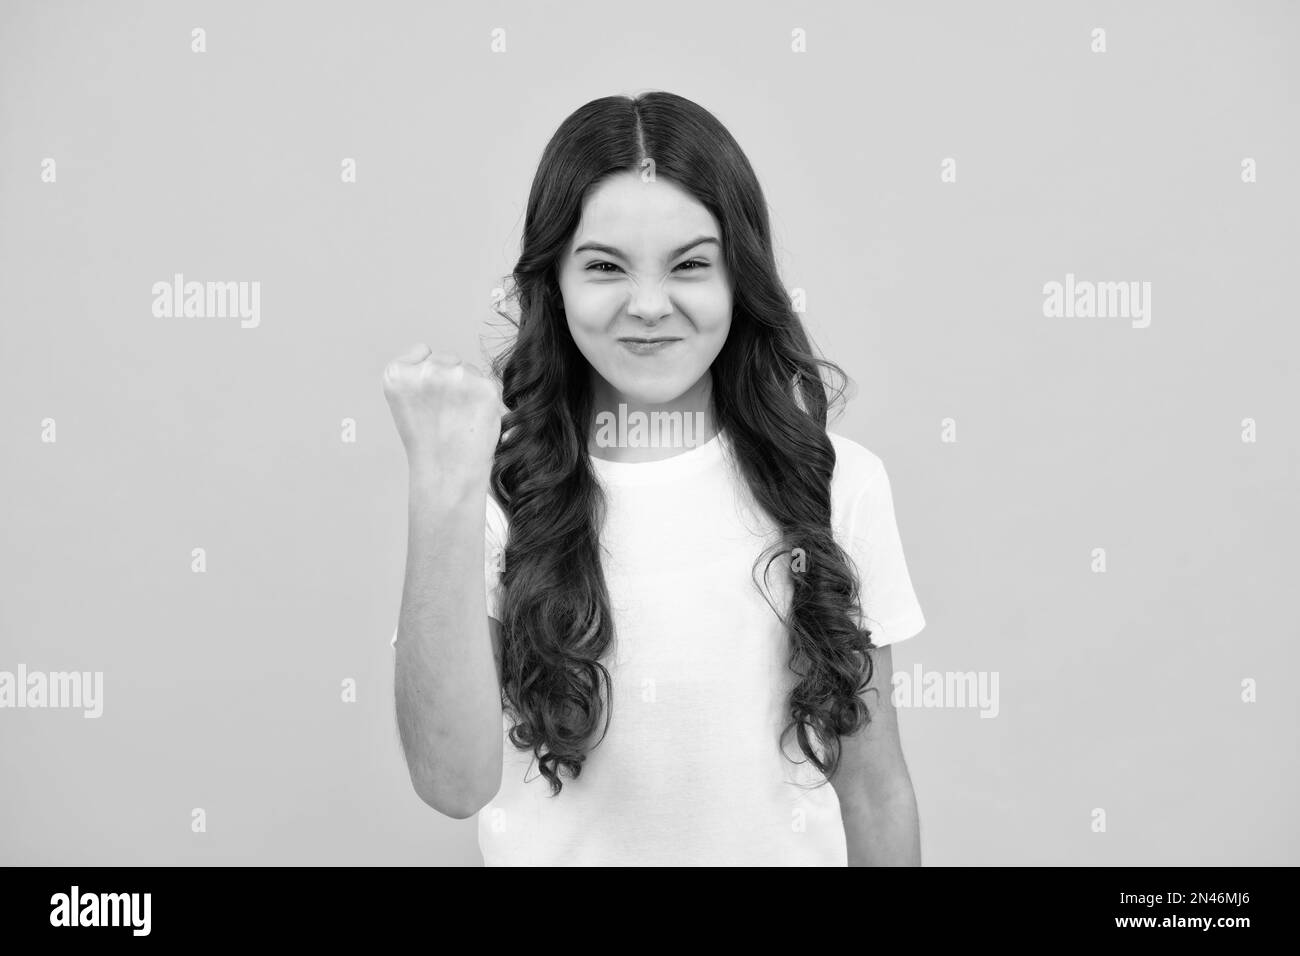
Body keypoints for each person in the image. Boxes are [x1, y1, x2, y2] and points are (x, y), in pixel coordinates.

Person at [384, 91, 927, 866]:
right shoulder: (491, 495)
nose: (647, 306)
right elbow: (450, 781)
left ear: (740, 278)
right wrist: (442, 488)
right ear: (554, 281)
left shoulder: (840, 486)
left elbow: (875, 790)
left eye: (690, 265)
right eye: (605, 266)